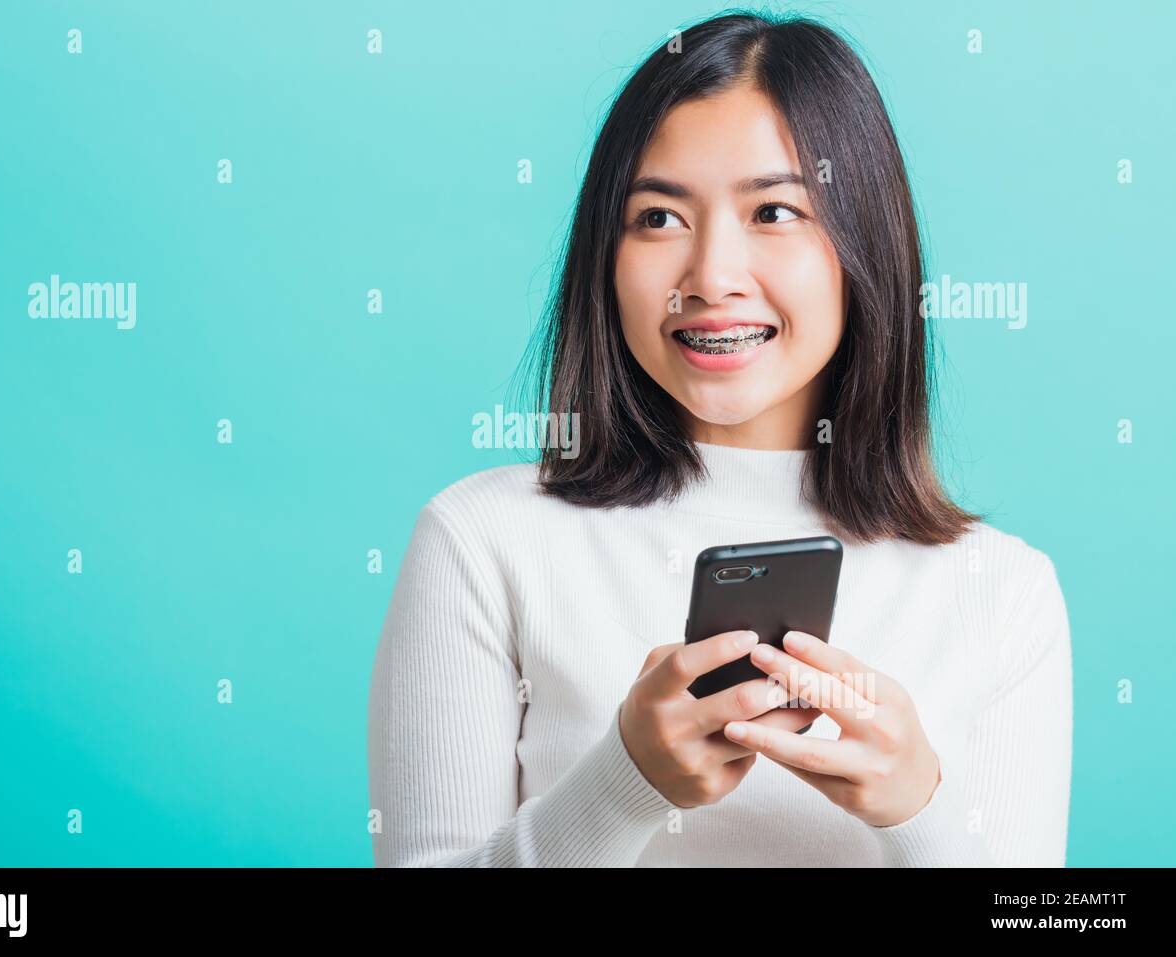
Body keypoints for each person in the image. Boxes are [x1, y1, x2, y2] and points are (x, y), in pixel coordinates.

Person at [367, 10, 1072, 867]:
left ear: (865, 244)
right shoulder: (482, 540)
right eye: (659, 218)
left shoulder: (1002, 590)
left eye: (774, 210)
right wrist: (623, 783)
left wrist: (920, 811)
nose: (710, 277)